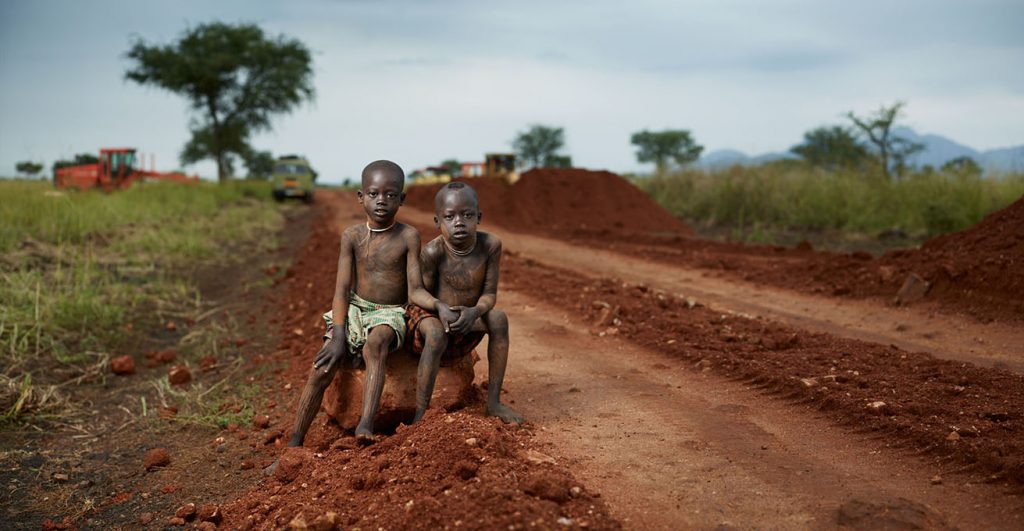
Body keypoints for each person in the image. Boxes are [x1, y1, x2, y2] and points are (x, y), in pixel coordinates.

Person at [286, 160, 446, 445]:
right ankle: (295, 441)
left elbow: (415, 290)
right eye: (373, 194)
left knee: (377, 342)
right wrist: (338, 334)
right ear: (361, 197)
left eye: (390, 194)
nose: (381, 201)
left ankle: (365, 425)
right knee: (322, 364)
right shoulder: (352, 236)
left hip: (391, 312)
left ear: (402, 199)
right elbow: (341, 290)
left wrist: (438, 305)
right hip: (357, 309)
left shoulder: (408, 236)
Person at [406, 181, 523, 424]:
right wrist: (439, 307)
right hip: (435, 314)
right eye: (450, 216)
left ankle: (493, 404)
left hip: (468, 316)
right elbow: (416, 294)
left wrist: (475, 312)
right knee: (436, 334)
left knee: (499, 319)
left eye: (467, 215)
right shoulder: (432, 252)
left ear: (478, 217)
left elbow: (489, 293)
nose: (459, 222)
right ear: (438, 221)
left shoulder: (490, 246)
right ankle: (421, 414)